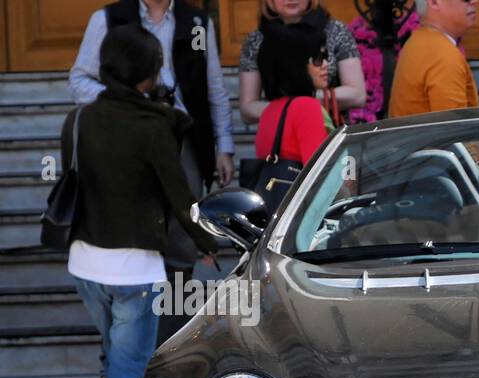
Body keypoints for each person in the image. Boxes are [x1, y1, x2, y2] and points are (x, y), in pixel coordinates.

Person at [63, 25, 218, 378]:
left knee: (120, 364)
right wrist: (207, 242)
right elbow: (181, 197)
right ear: (150, 75)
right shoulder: (154, 125)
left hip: (86, 263)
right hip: (134, 270)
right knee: (130, 373)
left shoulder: (83, 119)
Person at [70, 0, 235, 345]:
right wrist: (128, 102)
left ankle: (171, 351)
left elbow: (213, 87)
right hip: (122, 141)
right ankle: (117, 356)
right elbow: (79, 80)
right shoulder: (108, 18)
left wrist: (224, 144)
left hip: (183, 138)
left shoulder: (196, 22)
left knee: (181, 249)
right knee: (123, 246)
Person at [239, 0, 365, 125]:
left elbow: (357, 95)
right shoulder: (256, 40)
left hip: (331, 133)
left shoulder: (336, 31)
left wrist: (302, 101)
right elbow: (247, 110)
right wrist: (292, 107)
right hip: (281, 134)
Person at [254, 20, 331, 166]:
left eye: (325, 56)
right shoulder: (306, 107)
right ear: (296, 66)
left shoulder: (269, 111)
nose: (326, 65)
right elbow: (321, 175)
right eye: (317, 59)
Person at [388, 0, 479, 117]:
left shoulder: (419, 40)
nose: (474, 1)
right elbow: (454, 129)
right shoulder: (442, 54)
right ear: (434, 2)